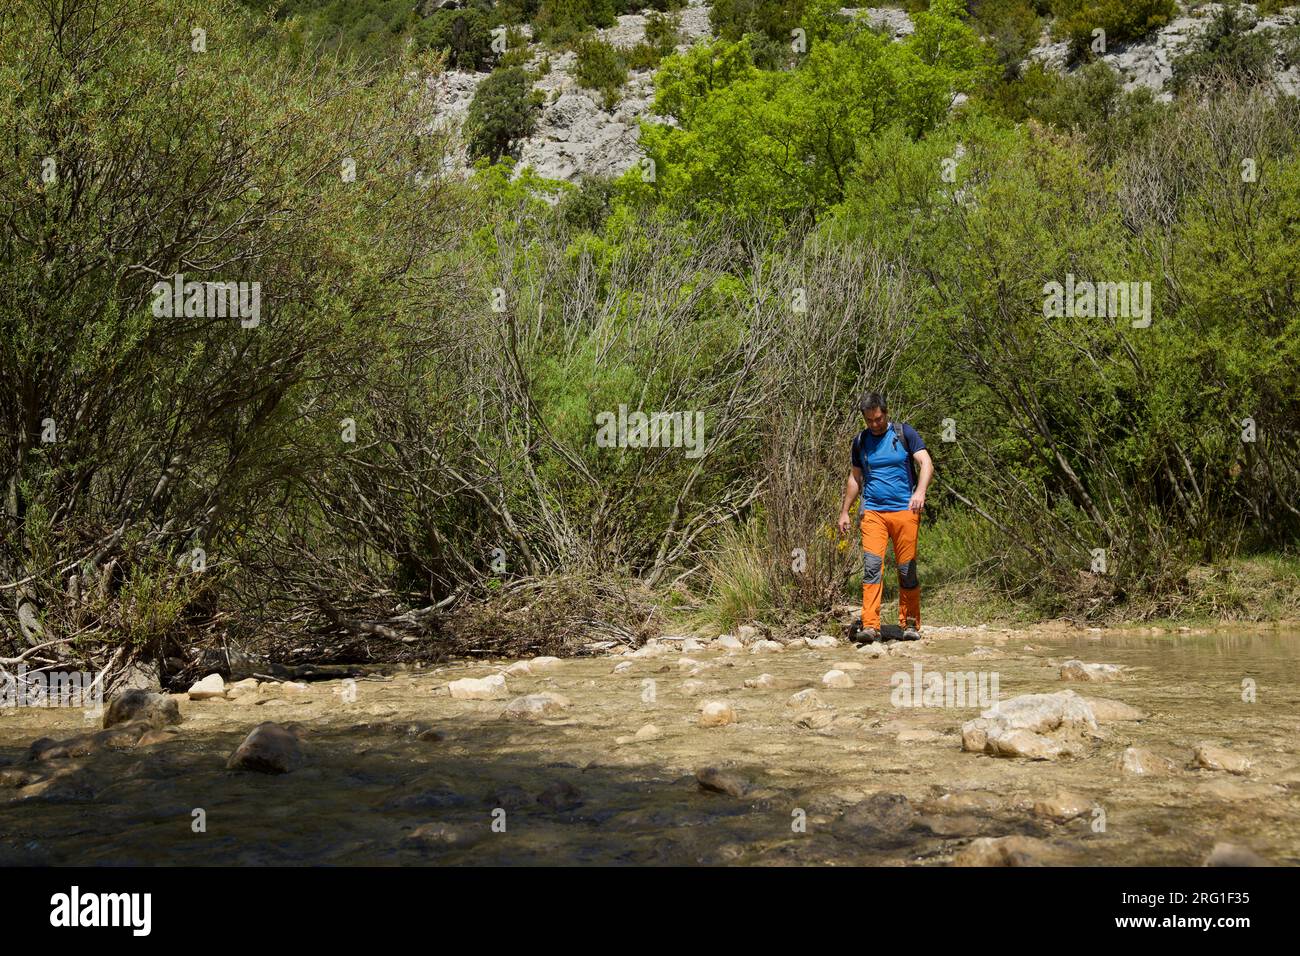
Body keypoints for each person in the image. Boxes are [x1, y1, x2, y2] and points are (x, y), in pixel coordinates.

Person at [837, 392, 934, 643]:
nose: (874, 424)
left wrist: (920, 492)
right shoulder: (860, 441)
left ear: (885, 413)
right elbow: (855, 478)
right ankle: (870, 626)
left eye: (878, 419)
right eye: (869, 420)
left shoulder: (904, 434)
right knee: (871, 568)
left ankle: (909, 623)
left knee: (906, 569)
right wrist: (845, 511)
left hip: (905, 511)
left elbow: (926, 463)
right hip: (873, 513)